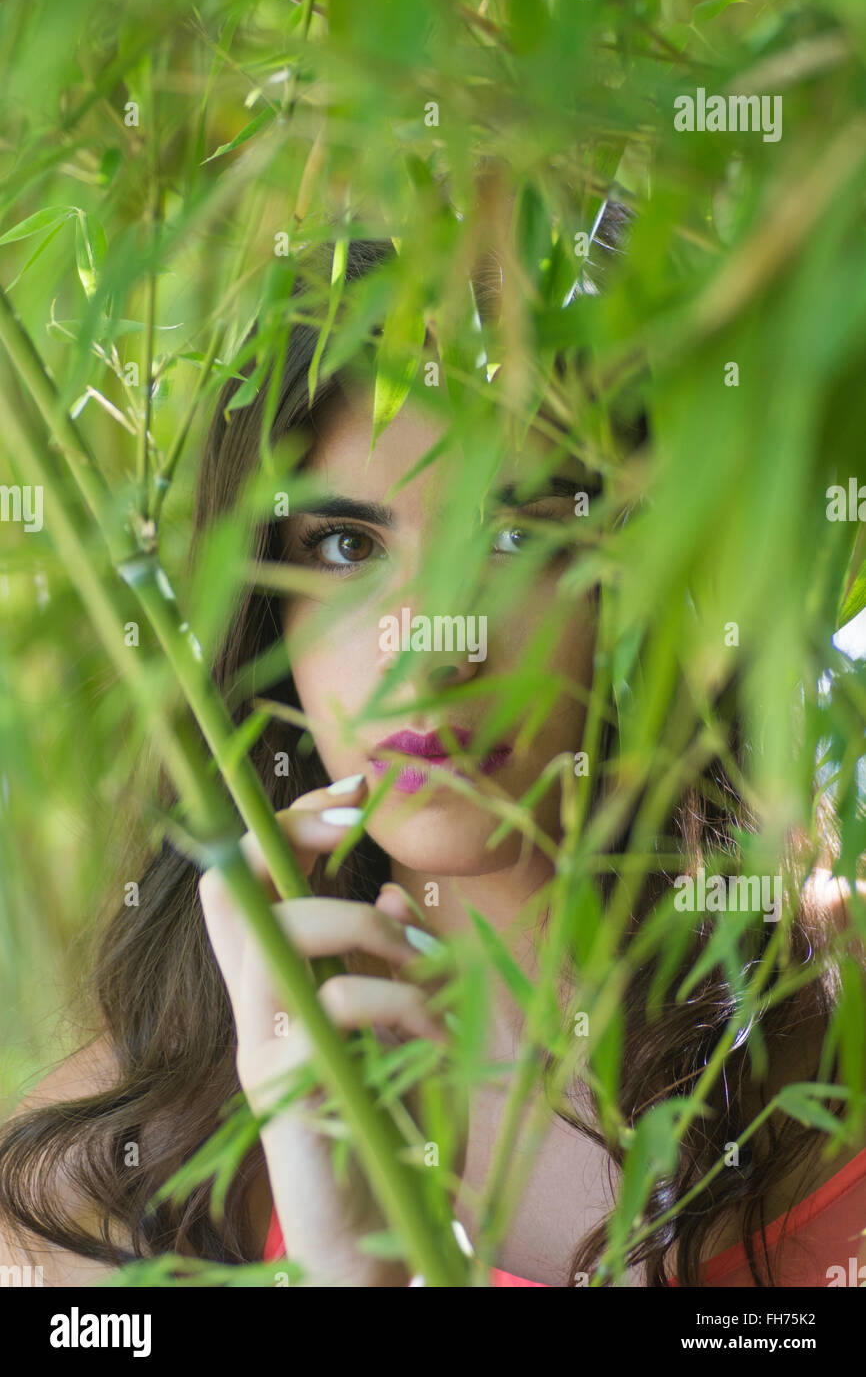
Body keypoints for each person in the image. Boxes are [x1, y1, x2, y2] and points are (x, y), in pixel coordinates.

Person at [1, 224, 864, 1288]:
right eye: (344, 547)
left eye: (513, 538)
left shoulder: (842, 1016)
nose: (428, 649)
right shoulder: (87, 1198)